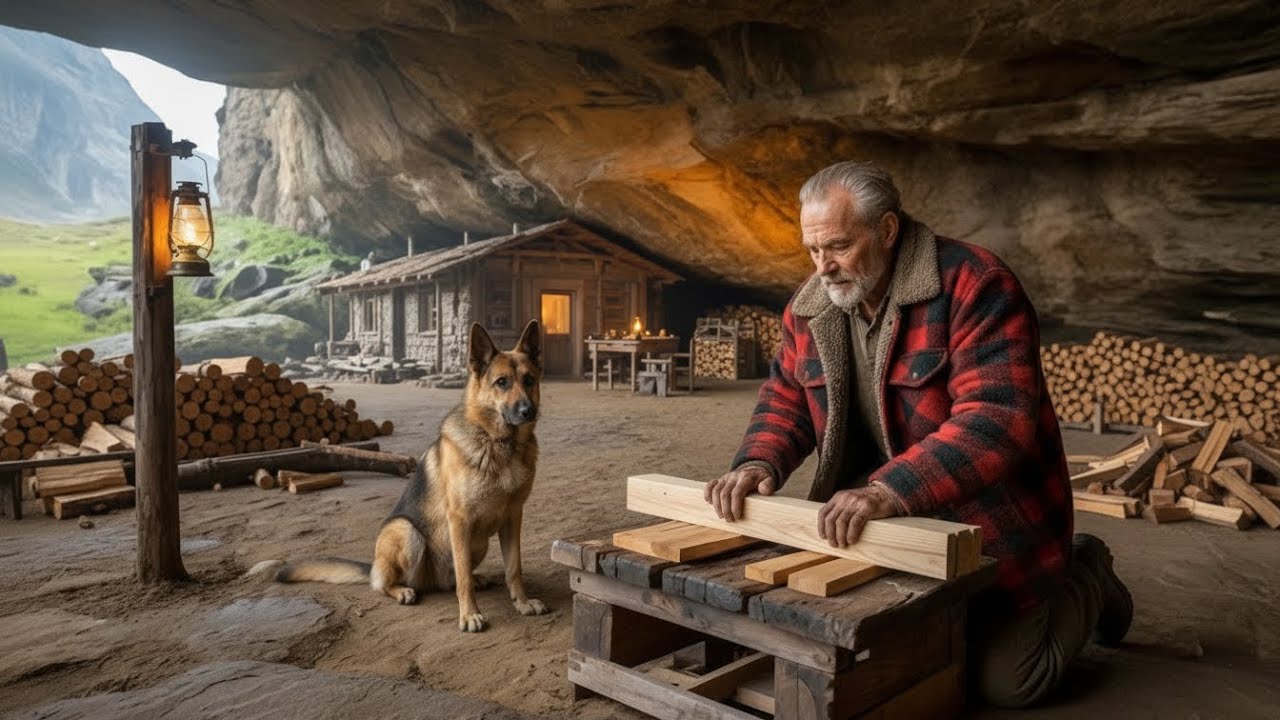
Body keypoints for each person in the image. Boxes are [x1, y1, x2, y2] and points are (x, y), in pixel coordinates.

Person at [703, 160, 1132, 708]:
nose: (823, 267)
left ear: (886, 230)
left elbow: (996, 417)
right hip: (871, 516)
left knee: (1008, 683)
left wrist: (886, 491)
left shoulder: (977, 285)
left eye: (837, 246)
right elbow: (785, 398)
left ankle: (1088, 568)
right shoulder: (811, 306)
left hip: (984, 517)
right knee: (851, 650)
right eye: (812, 250)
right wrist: (756, 462)